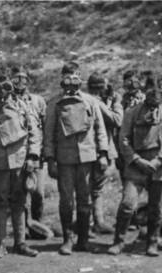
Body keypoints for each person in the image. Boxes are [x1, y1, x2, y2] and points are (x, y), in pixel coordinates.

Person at [107, 75, 162, 256]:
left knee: (156, 208)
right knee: (127, 204)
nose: (154, 97)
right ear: (144, 93)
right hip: (136, 165)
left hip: (159, 167)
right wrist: (137, 160)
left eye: (158, 93)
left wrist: (159, 161)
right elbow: (123, 139)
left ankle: (152, 243)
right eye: (150, 93)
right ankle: (119, 241)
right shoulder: (132, 112)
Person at [0, 66, 42, 259]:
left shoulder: (23, 106)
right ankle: (0, 244)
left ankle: (20, 243)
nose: (3, 87)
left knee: (20, 203)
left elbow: (33, 134)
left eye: (6, 81)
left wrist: (32, 157)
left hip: (20, 163)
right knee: (0, 204)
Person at [43, 61, 110, 255]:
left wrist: (103, 154)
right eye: (68, 76)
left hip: (87, 158)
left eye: (75, 75)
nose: (72, 80)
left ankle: (83, 240)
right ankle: (67, 240)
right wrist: (50, 159)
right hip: (65, 159)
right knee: (66, 201)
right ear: (62, 78)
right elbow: (49, 134)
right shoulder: (54, 103)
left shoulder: (90, 101)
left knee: (84, 199)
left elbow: (100, 130)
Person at [11, 65, 49, 234]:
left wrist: (45, 152)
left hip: (36, 154)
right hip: (16, 154)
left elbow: (46, 126)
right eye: (16, 78)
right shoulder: (7, 101)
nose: (20, 82)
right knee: (19, 193)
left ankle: (37, 225)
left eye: (23, 78)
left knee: (38, 192)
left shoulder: (38, 101)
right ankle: (23, 227)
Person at [86, 73, 123, 237]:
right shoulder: (96, 102)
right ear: (101, 87)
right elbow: (116, 120)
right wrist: (117, 103)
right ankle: (92, 223)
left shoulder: (89, 100)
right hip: (98, 150)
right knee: (93, 189)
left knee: (94, 189)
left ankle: (95, 221)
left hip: (92, 149)